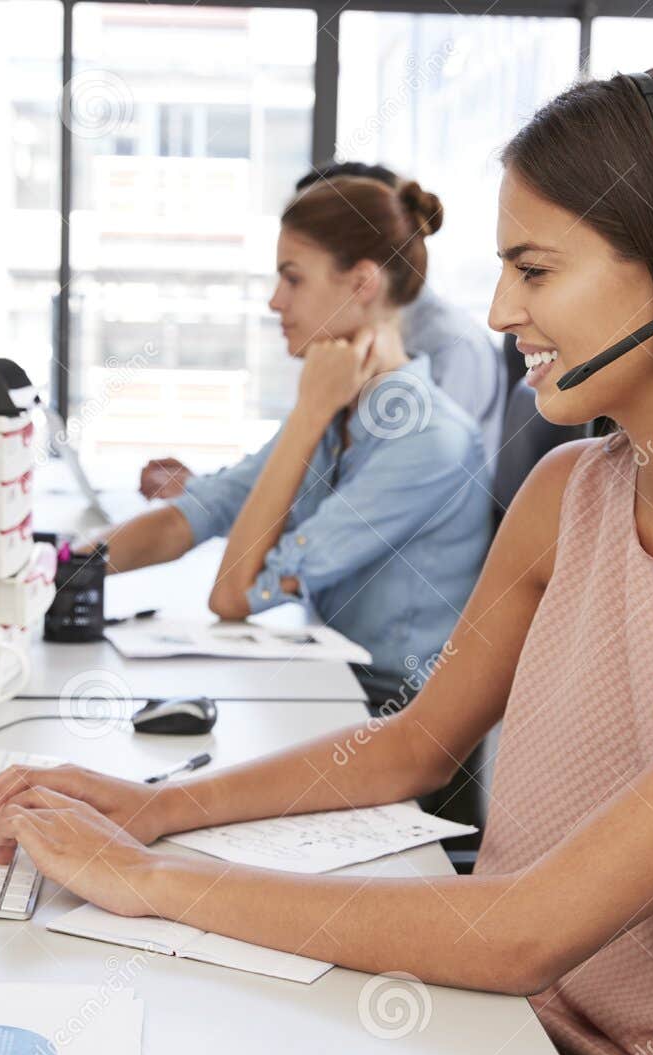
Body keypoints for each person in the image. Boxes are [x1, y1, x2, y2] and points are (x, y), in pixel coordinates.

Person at [0, 67, 653, 1055]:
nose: (496, 310)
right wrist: (155, 808)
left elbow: (527, 932)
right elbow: (414, 745)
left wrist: (150, 881)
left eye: (534, 270)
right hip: (531, 1032)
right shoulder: (566, 490)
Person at [94, 175, 490, 709]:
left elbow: (233, 595)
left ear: (362, 283)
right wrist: (52, 570)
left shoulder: (428, 442)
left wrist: (308, 413)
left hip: (391, 713)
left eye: (293, 278)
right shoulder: (343, 408)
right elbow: (195, 514)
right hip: (333, 685)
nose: (275, 301)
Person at [139, 162, 506, 499]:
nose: (276, 301)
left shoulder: (448, 348)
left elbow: (400, 483)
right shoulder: (349, 359)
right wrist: (208, 495)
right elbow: (303, 477)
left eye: (295, 277)